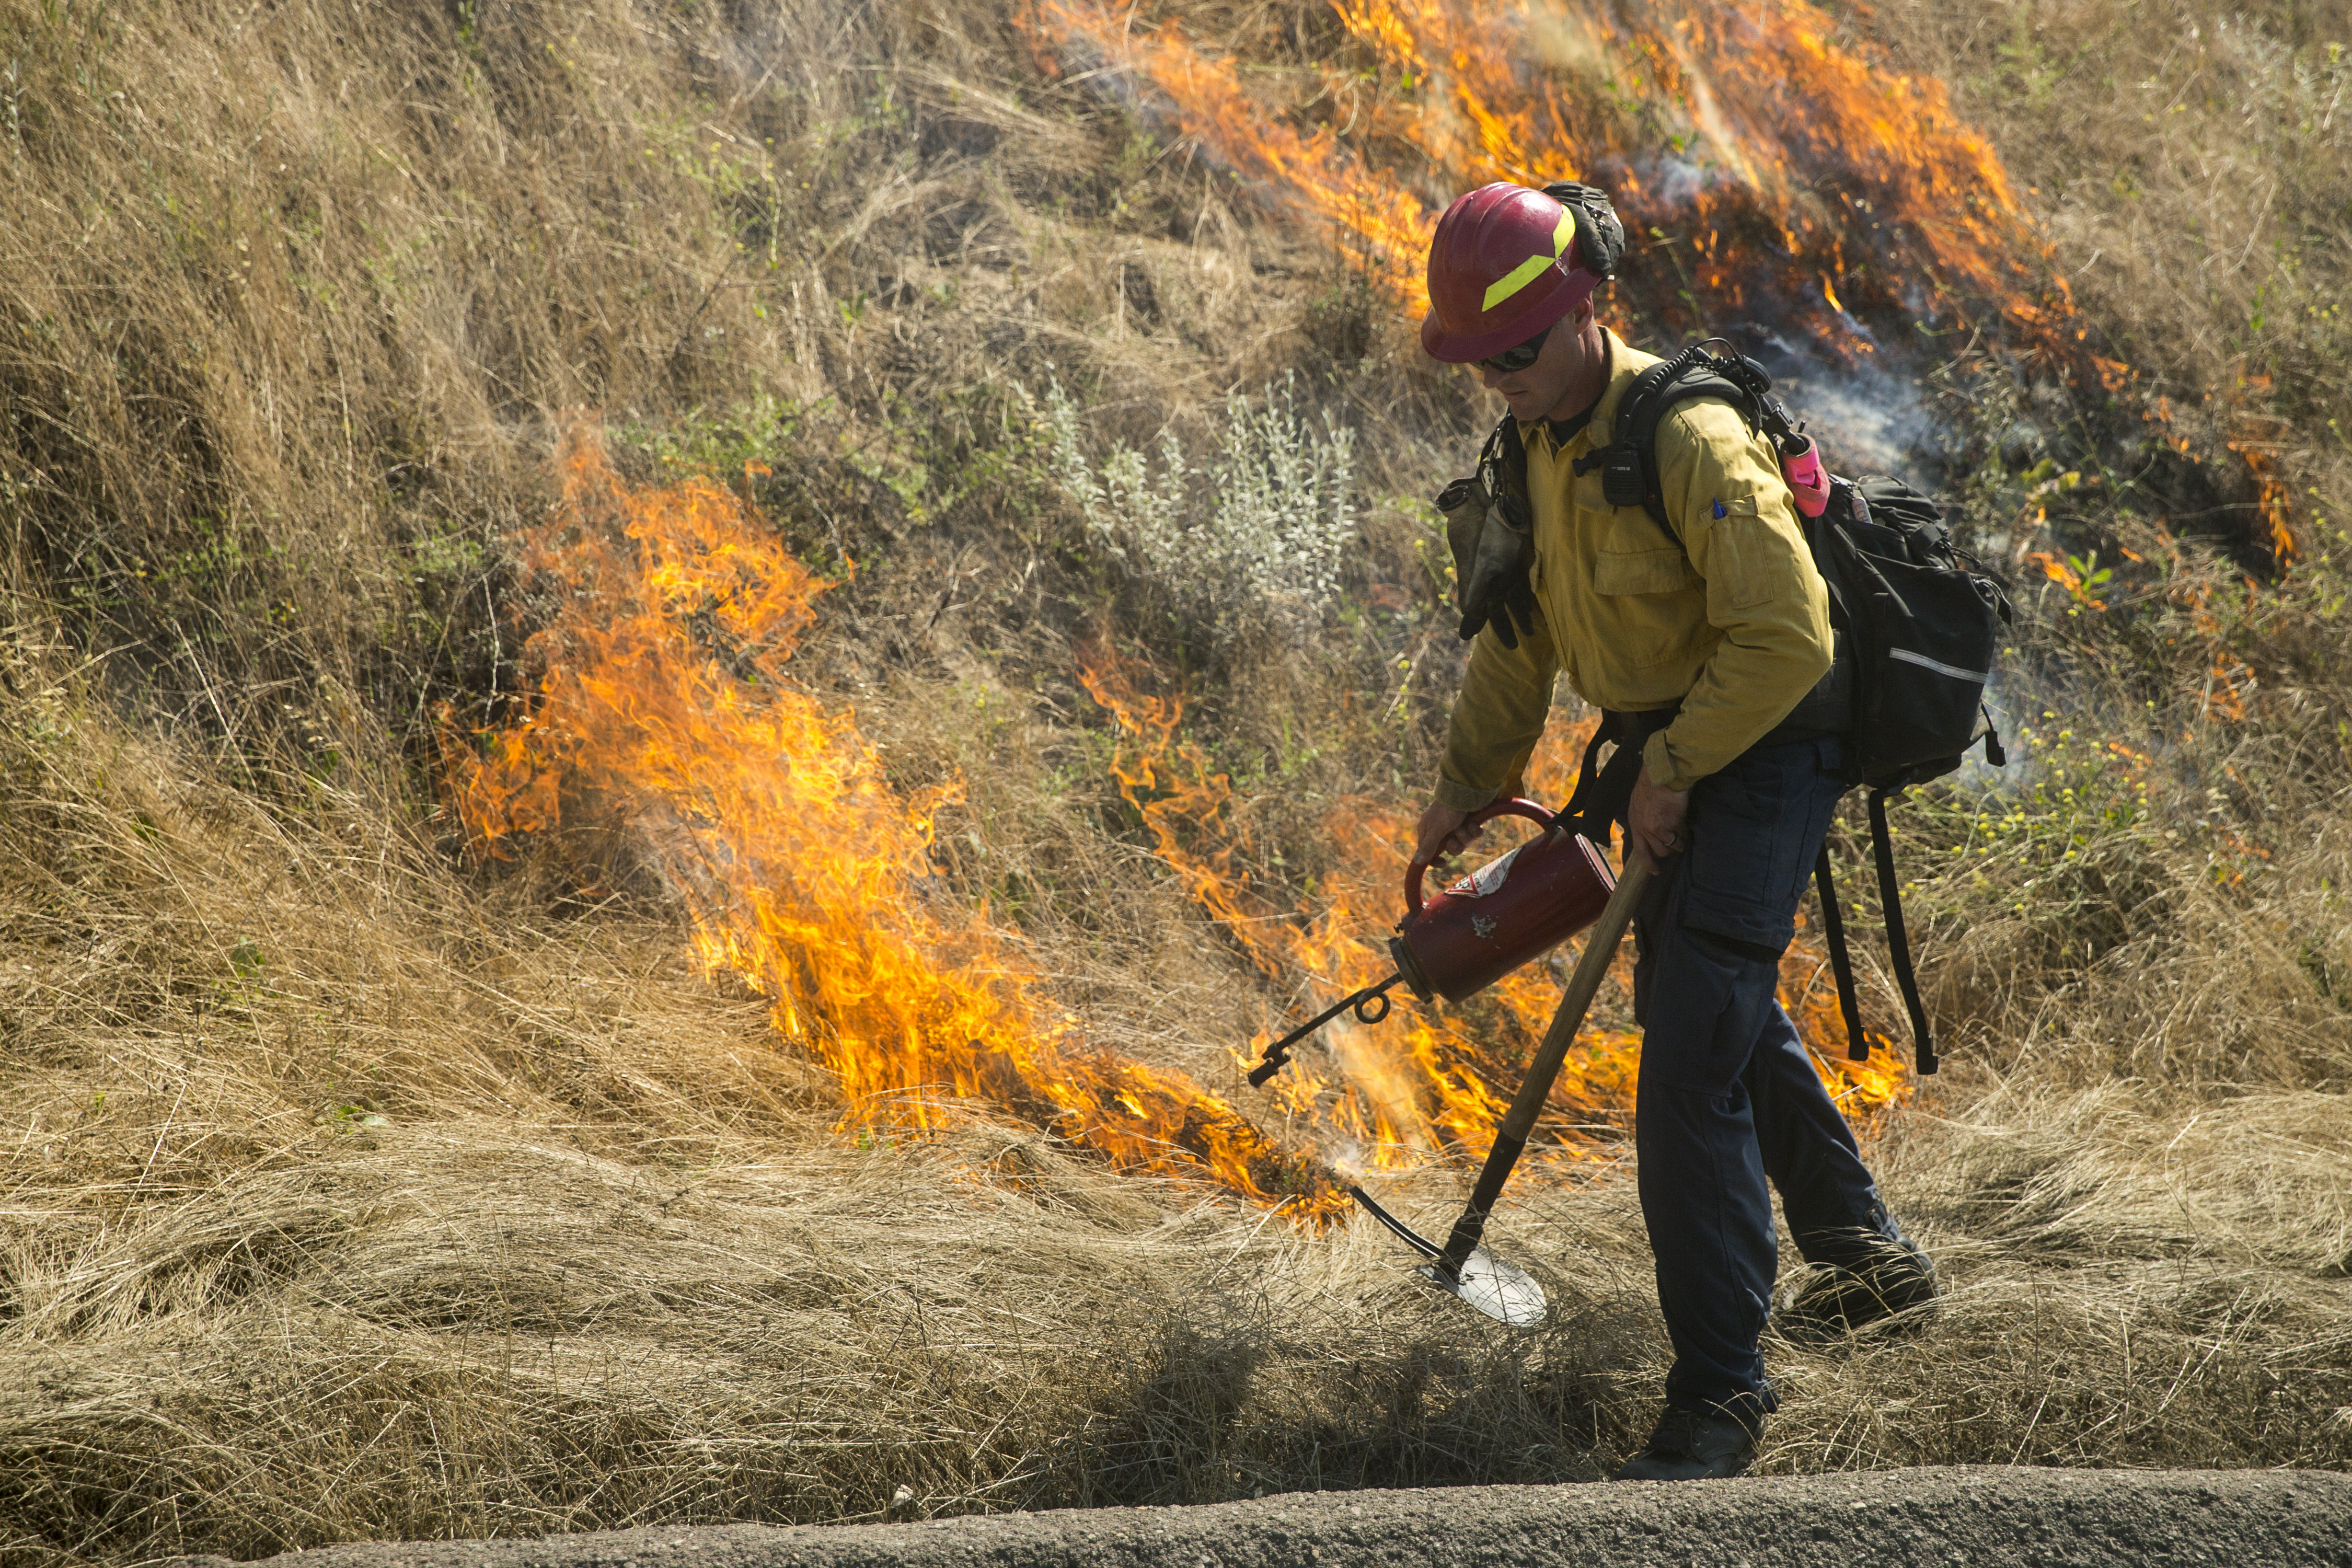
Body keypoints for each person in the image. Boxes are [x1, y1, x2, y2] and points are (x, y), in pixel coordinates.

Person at [1414, 182, 1937, 1482]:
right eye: (1480, 360)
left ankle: (1719, 1399)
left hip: (1768, 739)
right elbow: (1518, 639)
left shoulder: (1689, 433)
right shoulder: (1532, 447)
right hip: (1676, 748)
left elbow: (1787, 634)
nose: (1501, 378)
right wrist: (1464, 785)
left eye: (1519, 349)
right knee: (1731, 1018)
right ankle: (1873, 1271)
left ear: (1590, 308)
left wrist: (1680, 768)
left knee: (1686, 1064)